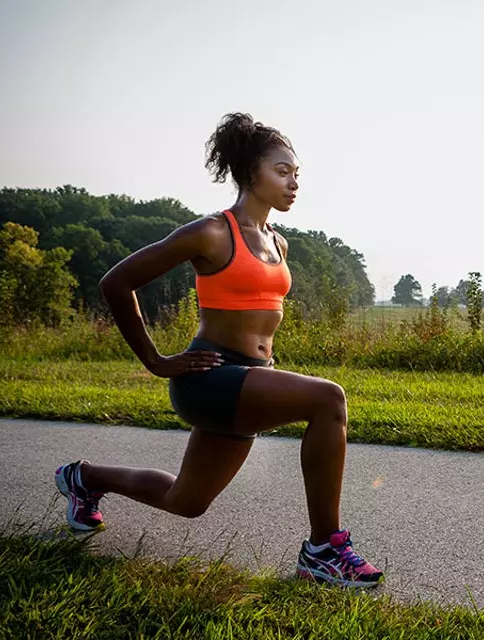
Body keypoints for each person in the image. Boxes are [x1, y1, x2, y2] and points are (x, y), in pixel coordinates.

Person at [54, 112, 382, 589]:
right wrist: (156, 361)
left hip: (246, 379)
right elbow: (117, 283)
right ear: (252, 173)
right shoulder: (212, 232)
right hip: (209, 378)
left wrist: (266, 375)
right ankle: (324, 551)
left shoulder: (278, 242)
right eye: (283, 171)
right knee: (328, 399)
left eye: (297, 174)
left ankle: (85, 477)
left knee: (186, 501)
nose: (294, 183)